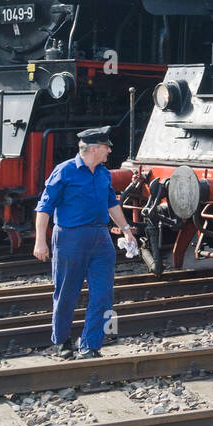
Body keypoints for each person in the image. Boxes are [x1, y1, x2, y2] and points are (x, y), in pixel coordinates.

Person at [33, 126, 138, 359]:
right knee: (66, 293)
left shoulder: (103, 173)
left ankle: (90, 345)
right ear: (93, 149)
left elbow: (112, 203)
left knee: (103, 294)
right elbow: (44, 208)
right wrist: (41, 241)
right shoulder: (64, 172)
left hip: (101, 238)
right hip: (70, 237)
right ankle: (60, 342)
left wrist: (127, 230)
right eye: (106, 146)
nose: (110, 150)